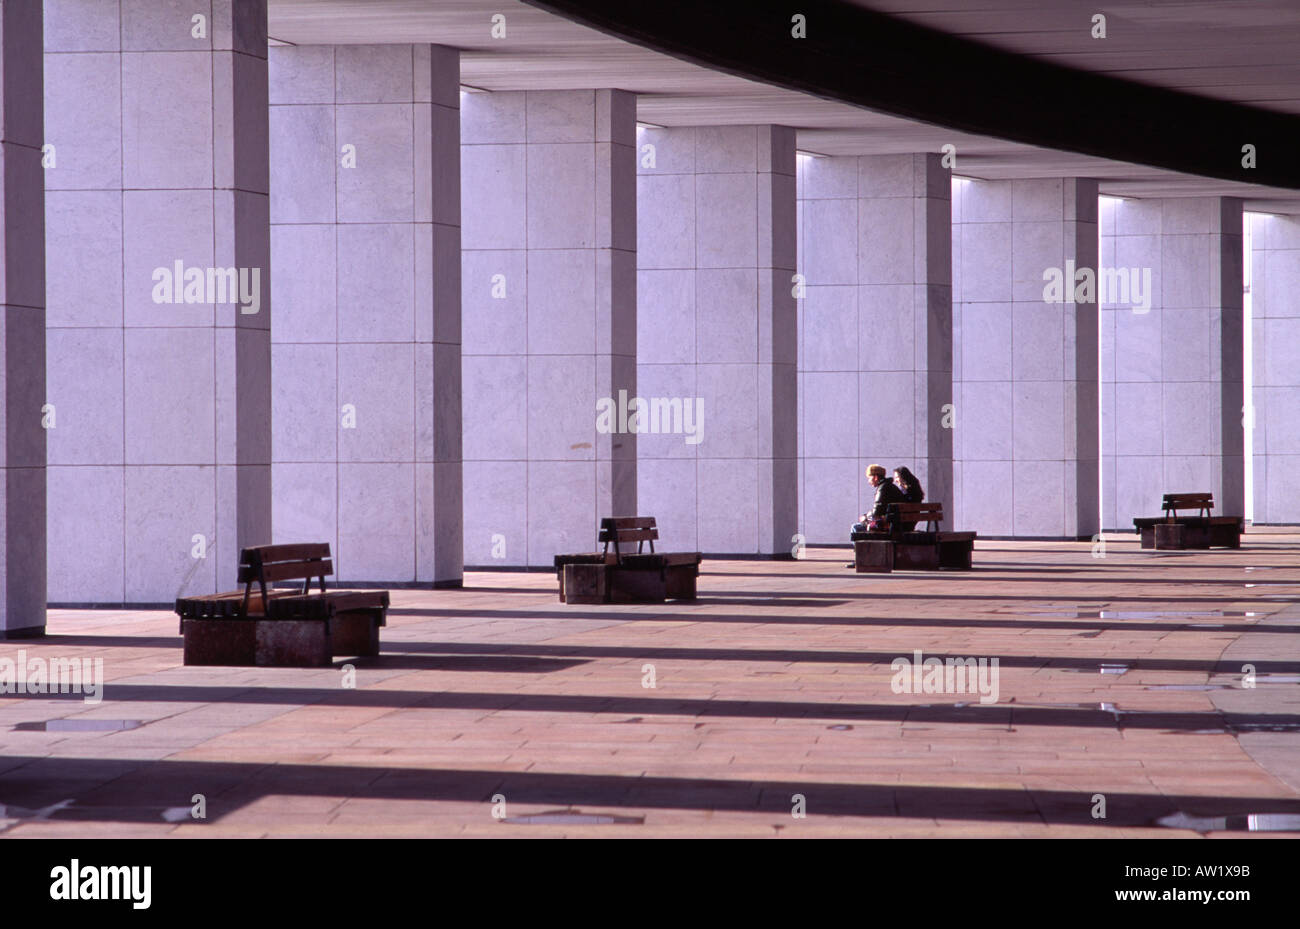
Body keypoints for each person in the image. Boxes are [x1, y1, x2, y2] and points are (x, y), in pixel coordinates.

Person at [892, 466, 925, 531]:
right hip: (912, 521)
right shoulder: (915, 487)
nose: (895, 480)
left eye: (897, 477)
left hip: (905, 522)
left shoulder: (906, 490)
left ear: (903, 477)